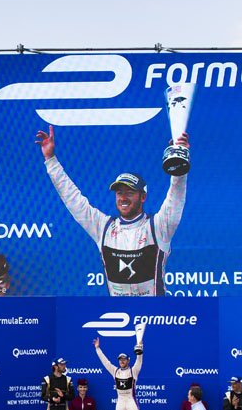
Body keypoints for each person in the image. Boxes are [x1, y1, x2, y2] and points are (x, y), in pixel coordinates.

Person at [35, 125, 189, 296]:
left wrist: (178, 166)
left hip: (155, 316)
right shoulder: (103, 228)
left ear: (143, 197)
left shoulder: (158, 227)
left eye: (130, 193)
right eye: (119, 193)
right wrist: (50, 160)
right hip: (117, 315)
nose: (123, 198)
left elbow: (175, 198)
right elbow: (73, 199)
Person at [94, 337, 143, 410]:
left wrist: (140, 346)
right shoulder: (115, 371)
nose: (122, 361)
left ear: (128, 360)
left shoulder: (133, 371)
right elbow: (105, 362)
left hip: (131, 401)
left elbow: (139, 360)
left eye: (124, 359)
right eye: (120, 359)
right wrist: (98, 349)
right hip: (120, 402)